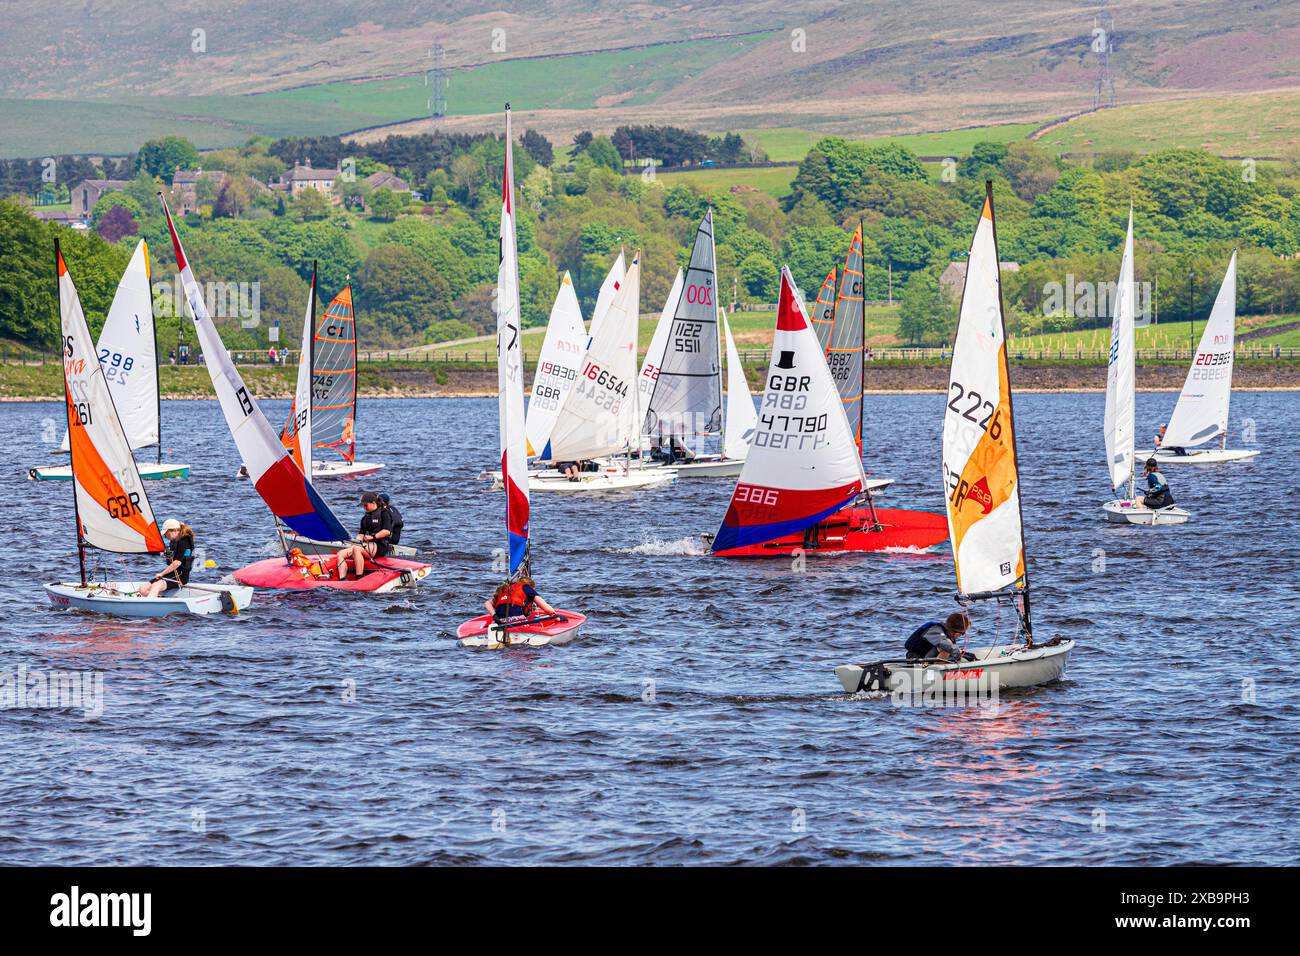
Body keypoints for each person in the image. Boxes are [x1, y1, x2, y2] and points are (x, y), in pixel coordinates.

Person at [334, 491, 393, 580]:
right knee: (340, 553)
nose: (364, 507)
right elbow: (361, 534)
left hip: (380, 545)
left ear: (373, 503)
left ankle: (359, 577)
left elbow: (387, 531)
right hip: (368, 546)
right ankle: (343, 579)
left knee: (356, 549)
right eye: (363, 506)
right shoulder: (365, 518)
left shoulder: (384, 513)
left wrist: (373, 537)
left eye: (366, 505)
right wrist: (355, 540)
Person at [140, 519, 195, 598]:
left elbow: (177, 562)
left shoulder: (184, 541)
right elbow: (170, 555)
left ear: (175, 530)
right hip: (170, 574)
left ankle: (150, 605)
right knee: (143, 589)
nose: (165, 536)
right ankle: (159, 600)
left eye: (166, 533)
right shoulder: (173, 540)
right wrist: (158, 552)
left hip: (180, 576)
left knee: (156, 586)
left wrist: (162, 574)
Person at [484, 574, 561, 623]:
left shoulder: (505, 589)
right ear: (531, 586)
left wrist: (494, 616)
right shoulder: (526, 588)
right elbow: (545, 607)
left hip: (499, 621)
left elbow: (487, 603)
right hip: (516, 620)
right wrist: (556, 616)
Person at [903, 611, 971, 661]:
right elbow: (948, 647)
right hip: (916, 659)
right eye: (963, 633)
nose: (962, 635)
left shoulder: (945, 633)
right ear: (957, 633)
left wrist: (967, 655)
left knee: (949, 646)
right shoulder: (935, 629)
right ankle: (934, 673)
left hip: (926, 657)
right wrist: (958, 652)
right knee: (947, 646)